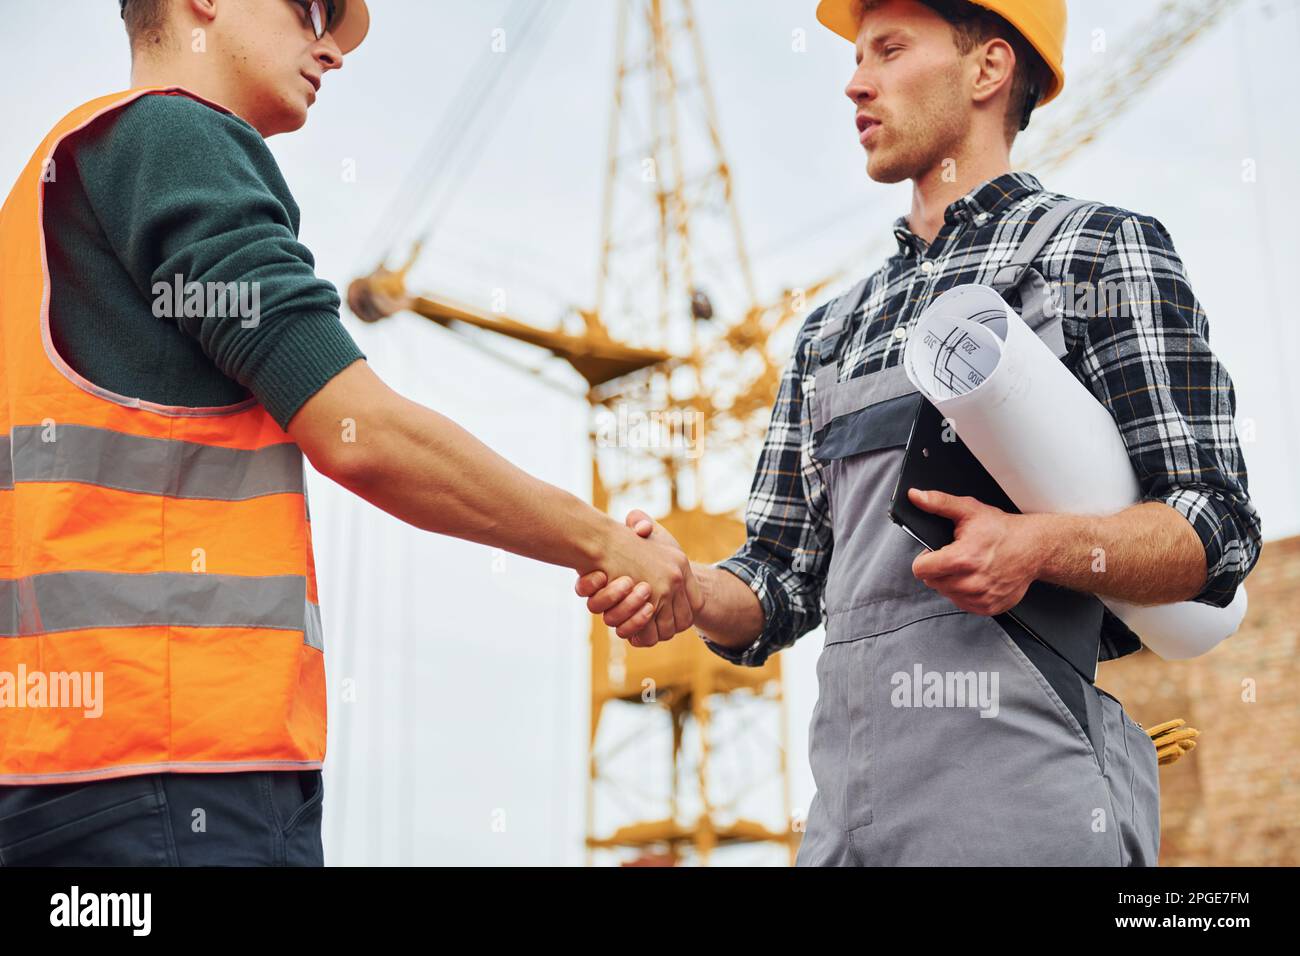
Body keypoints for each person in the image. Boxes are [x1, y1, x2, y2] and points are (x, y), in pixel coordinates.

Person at [0, 0, 689, 866]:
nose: (329, 48)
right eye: (311, 9)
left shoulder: (40, 195)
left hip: (52, 780)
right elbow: (358, 432)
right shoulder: (176, 141)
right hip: (179, 773)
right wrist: (603, 543)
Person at [579, 0, 1263, 866]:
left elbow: (1217, 526)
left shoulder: (1096, 253)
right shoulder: (831, 329)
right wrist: (687, 587)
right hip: (846, 819)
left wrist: (1035, 547)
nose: (855, 82)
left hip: (1024, 803)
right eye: (858, 56)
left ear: (987, 70)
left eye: (890, 50)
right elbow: (783, 580)